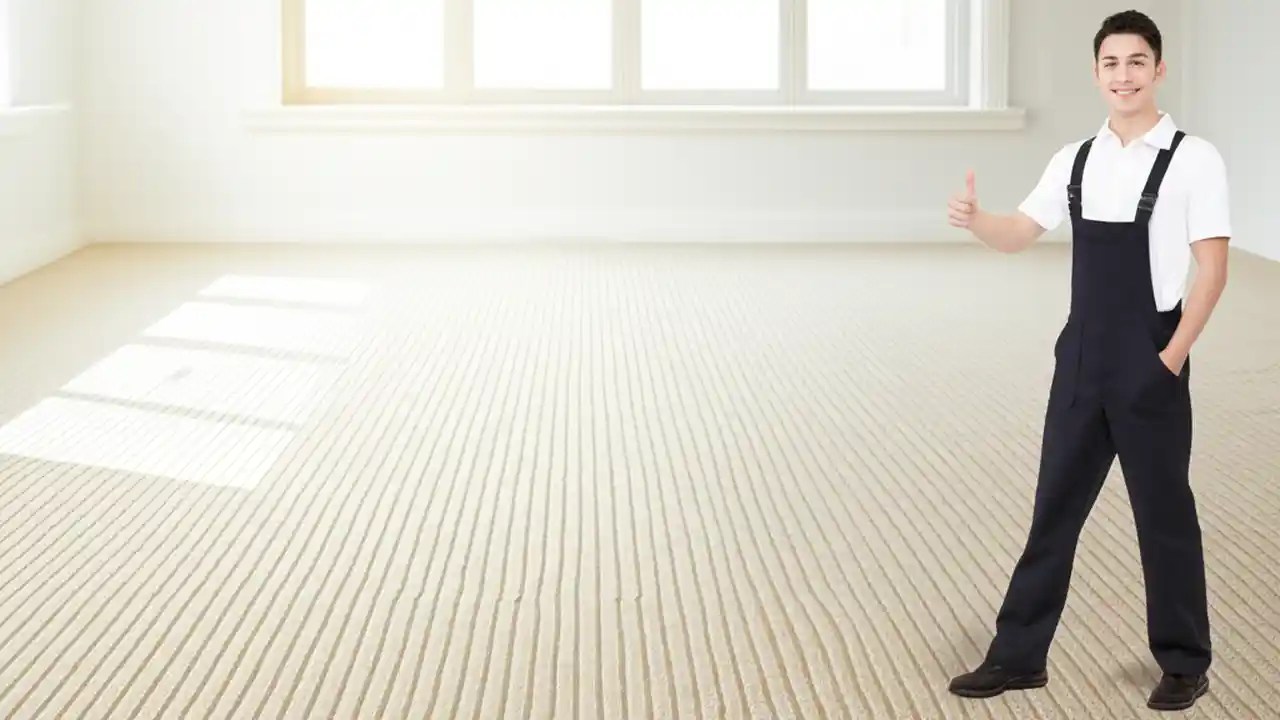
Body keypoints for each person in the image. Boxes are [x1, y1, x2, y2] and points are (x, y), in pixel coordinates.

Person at [943, 10, 1231, 713]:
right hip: (1080, 359)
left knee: (1163, 514)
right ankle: (1018, 656)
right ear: (1096, 72)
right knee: (1054, 510)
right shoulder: (1076, 158)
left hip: (1150, 359)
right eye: (1111, 63)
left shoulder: (1195, 159)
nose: (1123, 75)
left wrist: (1170, 359)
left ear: (1158, 69)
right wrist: (978, 220)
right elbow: (1020, 232)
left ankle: (1186, 661)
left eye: (1137, 62)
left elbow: (1212, 270)